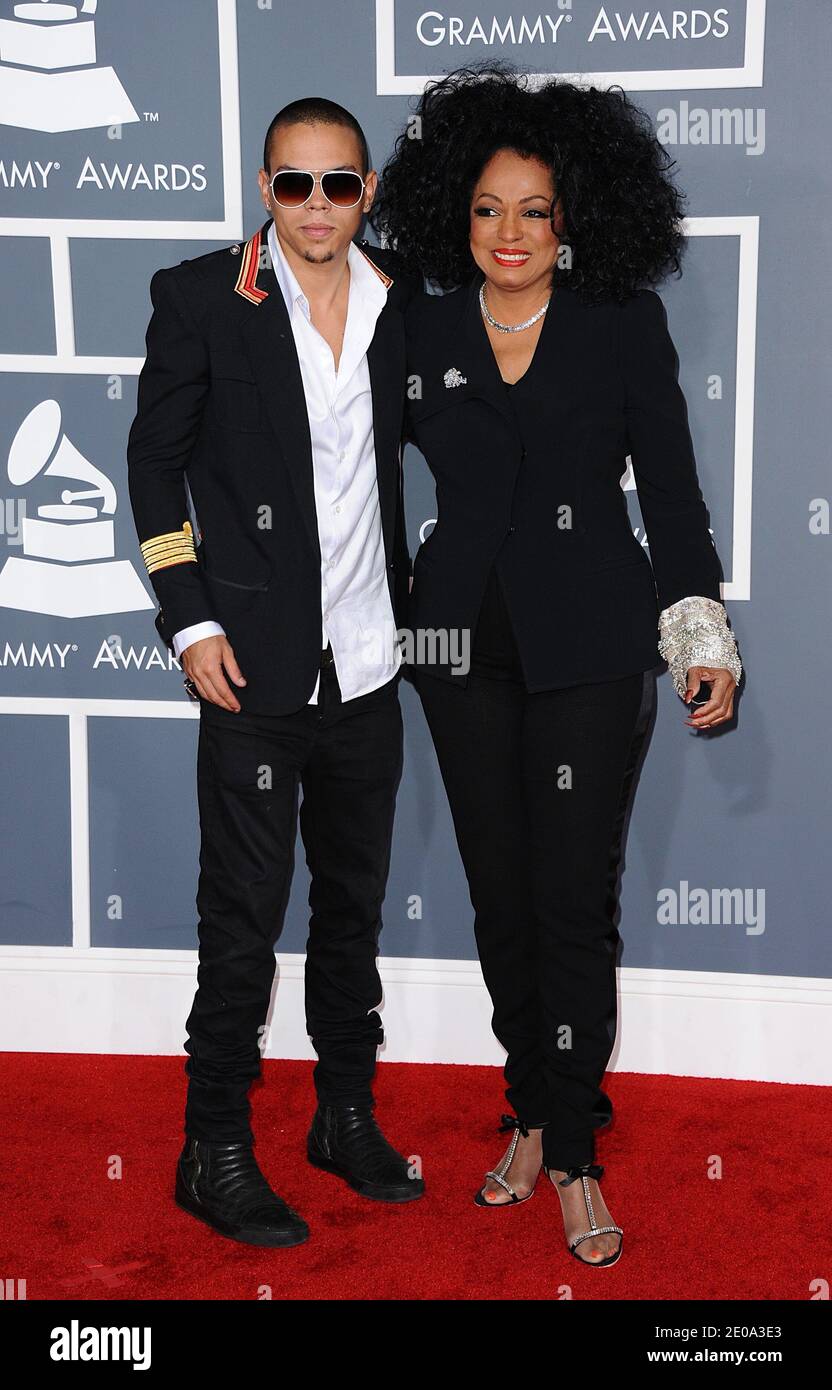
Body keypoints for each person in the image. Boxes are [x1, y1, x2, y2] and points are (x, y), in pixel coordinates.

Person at [371, 65, 742, 1266]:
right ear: (453, 216)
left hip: (591, 643)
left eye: (534, 209)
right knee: (500, 901)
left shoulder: (621, 322)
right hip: (455, 645)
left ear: (575, 215)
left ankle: (575, 1149)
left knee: (571, 906)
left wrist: (698, 633)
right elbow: (356, 480)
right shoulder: (417, 324)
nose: (510, 232)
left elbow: (674, 496)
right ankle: (529, 1105)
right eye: (486, 208)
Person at [127, 98, 424, 1249]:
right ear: (263, 187)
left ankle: (342, 1116)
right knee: (240, 921)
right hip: (251, 669)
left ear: (366, 192)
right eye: (293, 184)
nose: (316, 207)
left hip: (368, 664)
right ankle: (212, 1151)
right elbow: (154, 475)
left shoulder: (405, 303)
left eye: (339, 185)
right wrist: (188, 621)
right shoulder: (201, 297)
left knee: (350, 911)